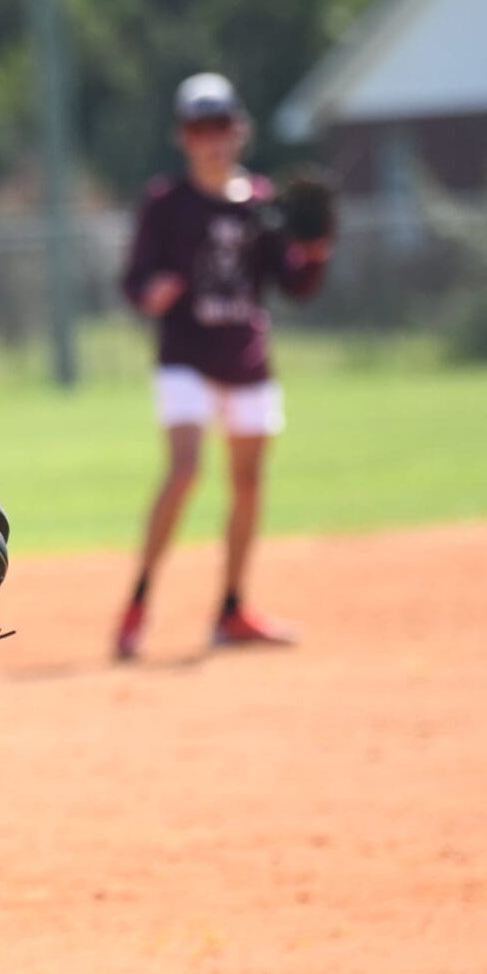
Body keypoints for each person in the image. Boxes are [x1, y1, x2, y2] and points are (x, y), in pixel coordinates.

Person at [113, 72, 333, 661]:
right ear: (184, 138)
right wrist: (148, 293)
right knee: (184, 471)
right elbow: (133, 279)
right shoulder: (167, 204)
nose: (210, 139)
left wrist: (316, 248)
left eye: (219, 127)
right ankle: (138, 602)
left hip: (247, 357)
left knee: (248, 483)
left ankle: (232, 609)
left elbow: (294, 286)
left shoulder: (261, 203)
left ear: (239, 131)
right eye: (197, 129)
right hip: (185, 355)